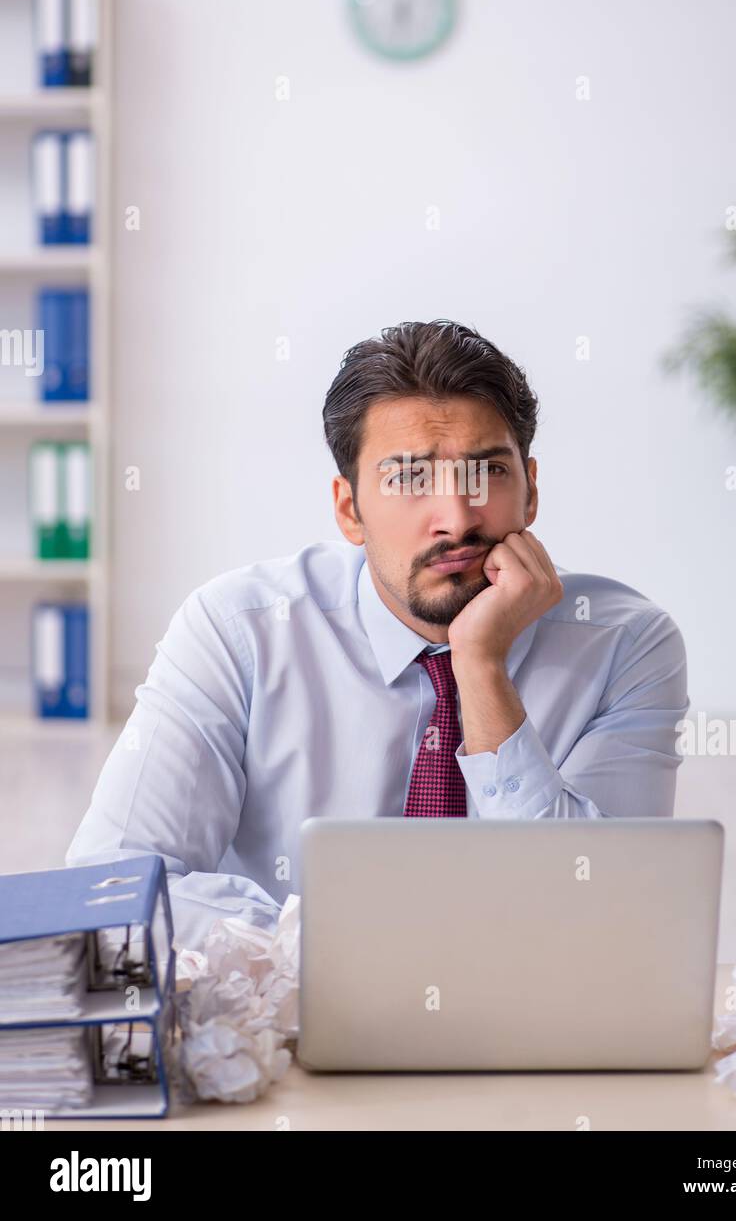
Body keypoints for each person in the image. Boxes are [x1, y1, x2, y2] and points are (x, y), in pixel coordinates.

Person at [66, 319, 689, 949]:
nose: (456, 518)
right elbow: (112, 887)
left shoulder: (625, 645)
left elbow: (603, 917)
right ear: (349, 509)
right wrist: (357, 952)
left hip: (530, 1038)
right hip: (292, 1018)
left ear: (530, 493)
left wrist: (479, 667)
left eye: (487, 474)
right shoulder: (240, 632)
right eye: (410, 479)